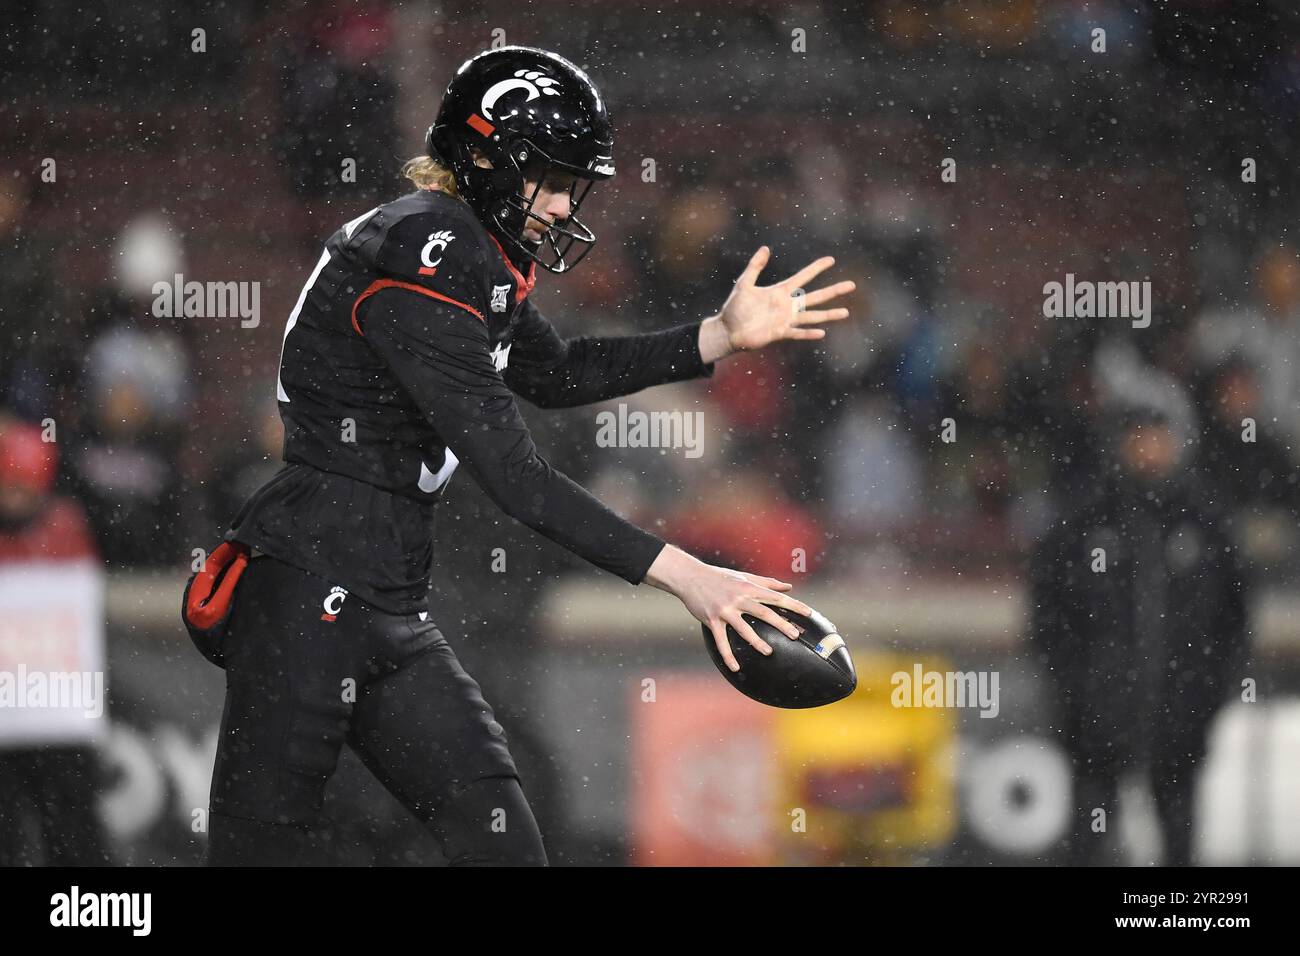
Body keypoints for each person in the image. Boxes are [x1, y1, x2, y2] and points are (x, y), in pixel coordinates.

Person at [188, 45, 855, 866]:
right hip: (309, 583)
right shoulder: (428, 244)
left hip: (381, 590)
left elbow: (554, 369)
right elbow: (517, 479)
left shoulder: (461, 243)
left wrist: (714, 337)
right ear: (483, 159)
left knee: (503, 843)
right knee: (259, 855)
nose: (562, 201)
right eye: (549, 176)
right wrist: (693, 579)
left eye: (573, 180)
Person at [1027, 394, 1251, 866]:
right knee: (1089, 837)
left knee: (1179, 839)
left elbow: (1233, 617)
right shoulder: (1084, 521)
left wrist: (1209, 692)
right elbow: (1049, 616)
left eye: (1159, 437)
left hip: (1180, 714)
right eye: (1139, 438)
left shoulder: (1204, 522)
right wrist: (1077, 691)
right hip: (1098, 720)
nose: (1150, 448)